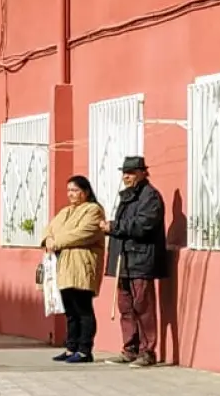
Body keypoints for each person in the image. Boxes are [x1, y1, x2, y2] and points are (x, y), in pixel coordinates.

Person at [100, 155, 167, 367]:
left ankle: (147, 352)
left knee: (143, 306)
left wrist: (113, 227)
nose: (126, 177)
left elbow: (142, 226)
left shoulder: (151, 197)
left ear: (142, 173)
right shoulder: (127, 196)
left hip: (141, 259)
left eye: (130, 173)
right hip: (124, 259)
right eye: (124, 173)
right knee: (125, 307)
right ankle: (130, 349)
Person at [42, 175, 106, 363]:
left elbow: (83, 233)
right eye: (69, 190)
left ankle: (85, 349)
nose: (71, 194)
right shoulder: (66, 211)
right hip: (64, 265)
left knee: (82, 308)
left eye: (75, 190)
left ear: (85, 192)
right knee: (69, 309)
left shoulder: (93, 210)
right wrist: (48, 240)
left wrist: (57, 241)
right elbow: (49, 229)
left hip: (81, 264)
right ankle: (71, 347)